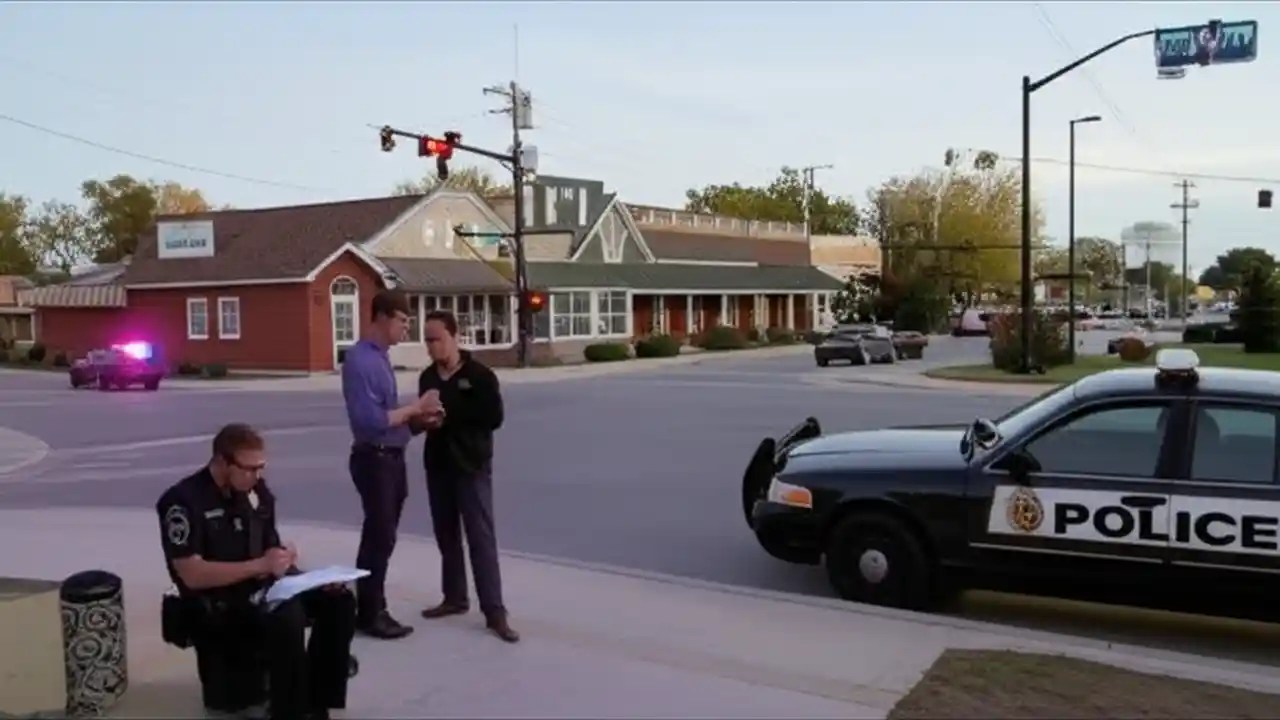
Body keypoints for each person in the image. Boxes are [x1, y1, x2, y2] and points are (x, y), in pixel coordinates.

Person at [156, 423, 356, 720]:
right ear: (222, 462)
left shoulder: (256, 493)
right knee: (287, 616)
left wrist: (293, 570)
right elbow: (192, 574)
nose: (257, 476)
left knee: (339, 602)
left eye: (261, 468)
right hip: (218, 603)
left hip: (261, 589)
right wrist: (261, 566)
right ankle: (290, 711)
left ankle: (318, 698)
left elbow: (269, 548)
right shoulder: (183, 502)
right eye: (249, 468)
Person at [411, 309, 519, 643]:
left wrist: (449, 416)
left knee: (480, 538)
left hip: (471, 466)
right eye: (427, 340)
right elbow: (420, 417)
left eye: (437, 339)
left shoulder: (480, 375)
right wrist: (422, 422)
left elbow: (493, 416)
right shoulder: (427, 378)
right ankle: (454, 597)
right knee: (446, 536)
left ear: (455, 336)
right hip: (438, 466)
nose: (431, 346)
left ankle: (495, 611)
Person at [341, 288, 438, 640]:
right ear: (382, 317)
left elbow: (391, 422)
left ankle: (369, 605)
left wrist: (419, 422)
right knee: (379, 537)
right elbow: (371, 421)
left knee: (383, 536)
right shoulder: (360, 360)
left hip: (391, 457)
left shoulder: (381, 358)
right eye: (402, 321)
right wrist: (415, 408)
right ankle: (370, 611)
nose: (405, 329)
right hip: (374, 459)